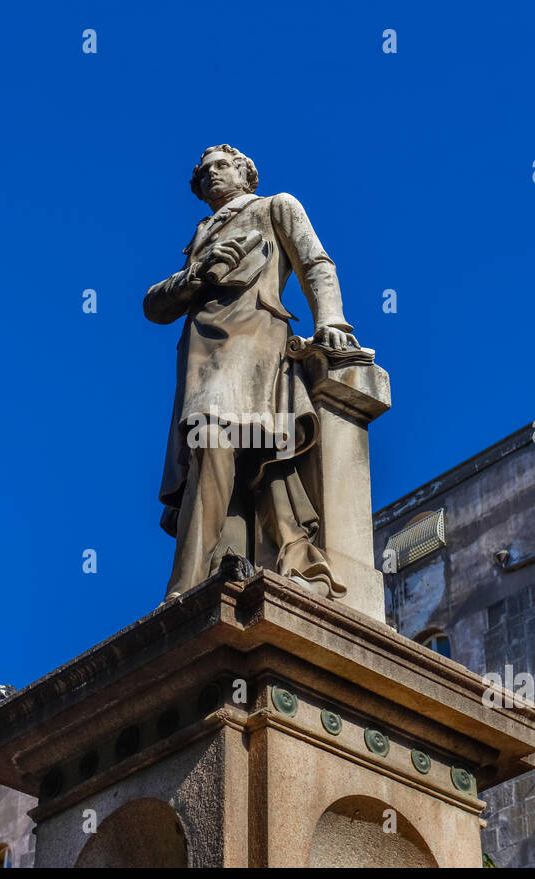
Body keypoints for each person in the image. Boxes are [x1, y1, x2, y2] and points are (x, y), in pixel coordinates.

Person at [144, 144, 355, 602]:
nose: (210, 177)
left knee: (222, 442)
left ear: (245, 173)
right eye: (203, 175)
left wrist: (331, 322)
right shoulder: (201, 235)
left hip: (254, 342)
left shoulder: (275, 207)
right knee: (237, 453)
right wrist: (197, 275)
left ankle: (186, 586)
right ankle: (230, 563)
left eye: (220, 167)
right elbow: (153, 305)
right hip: (202, 354)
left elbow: (315, 262)